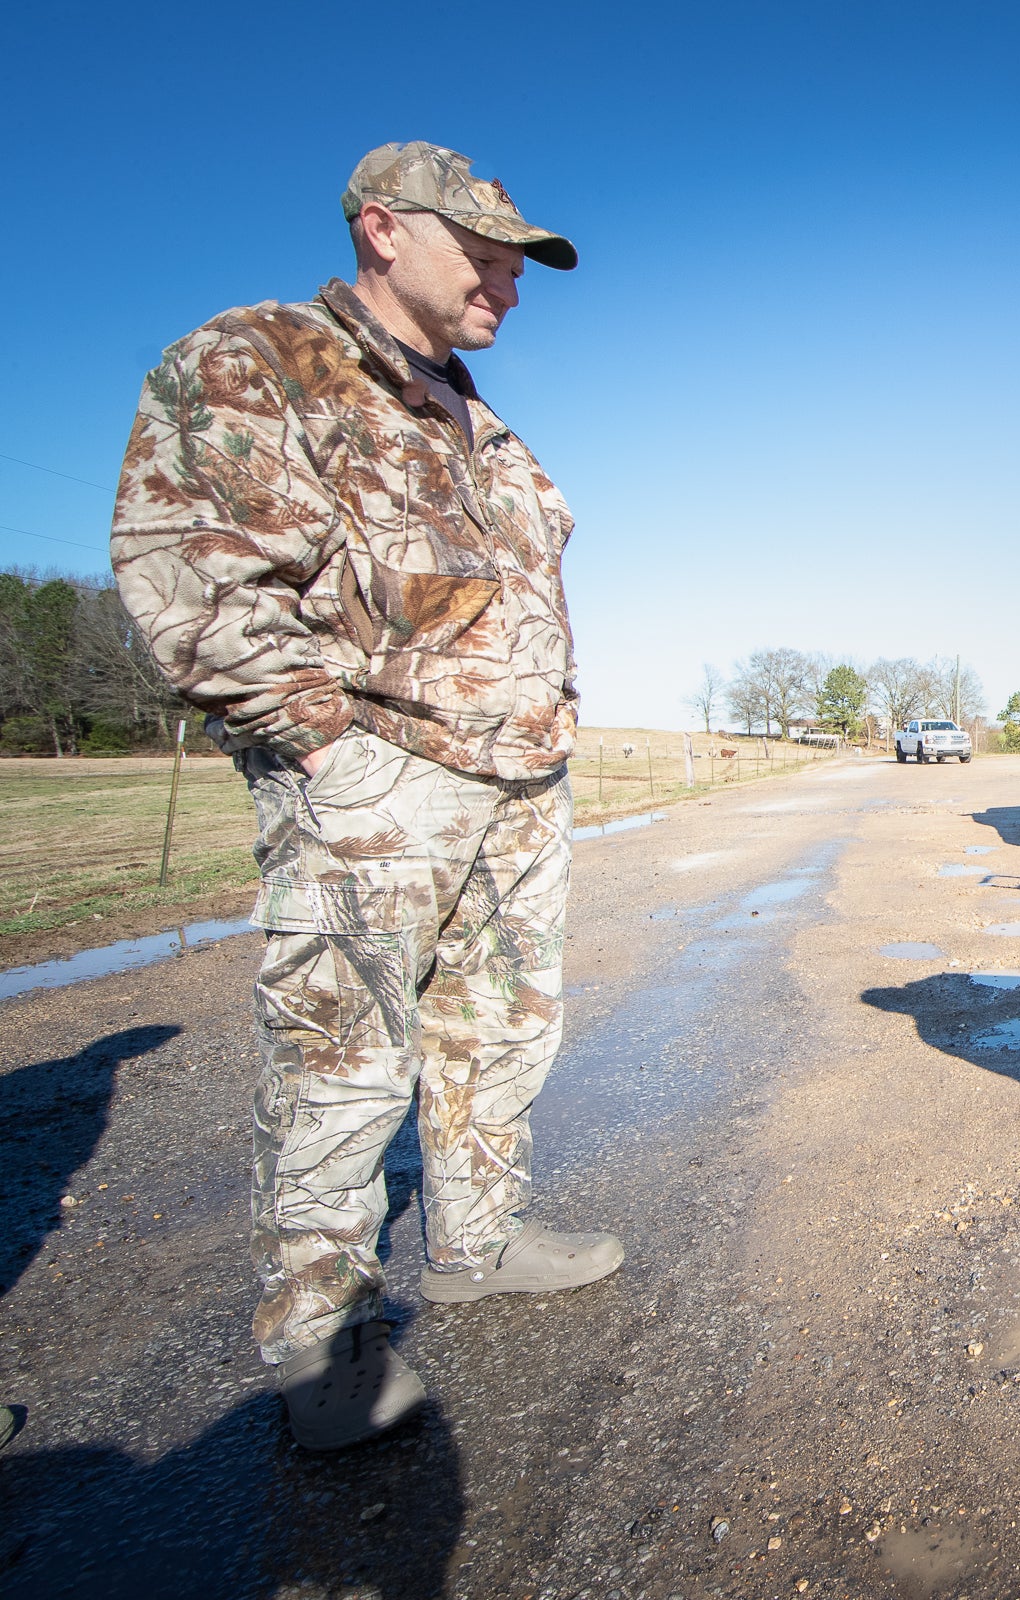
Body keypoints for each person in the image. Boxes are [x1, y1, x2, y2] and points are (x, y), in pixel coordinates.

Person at [111, 142, 620, 1452]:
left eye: (521, 263)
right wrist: (319, 743)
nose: (509, 280)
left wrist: (548, 729)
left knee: (500, 1025)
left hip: (519, 775)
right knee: (344, 1053)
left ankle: (481, 1236)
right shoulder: (264, 357)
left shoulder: (477, 417)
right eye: (485, 253)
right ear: (384, 229)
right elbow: (196, 569)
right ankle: (321, 1342)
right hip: (378, 774)